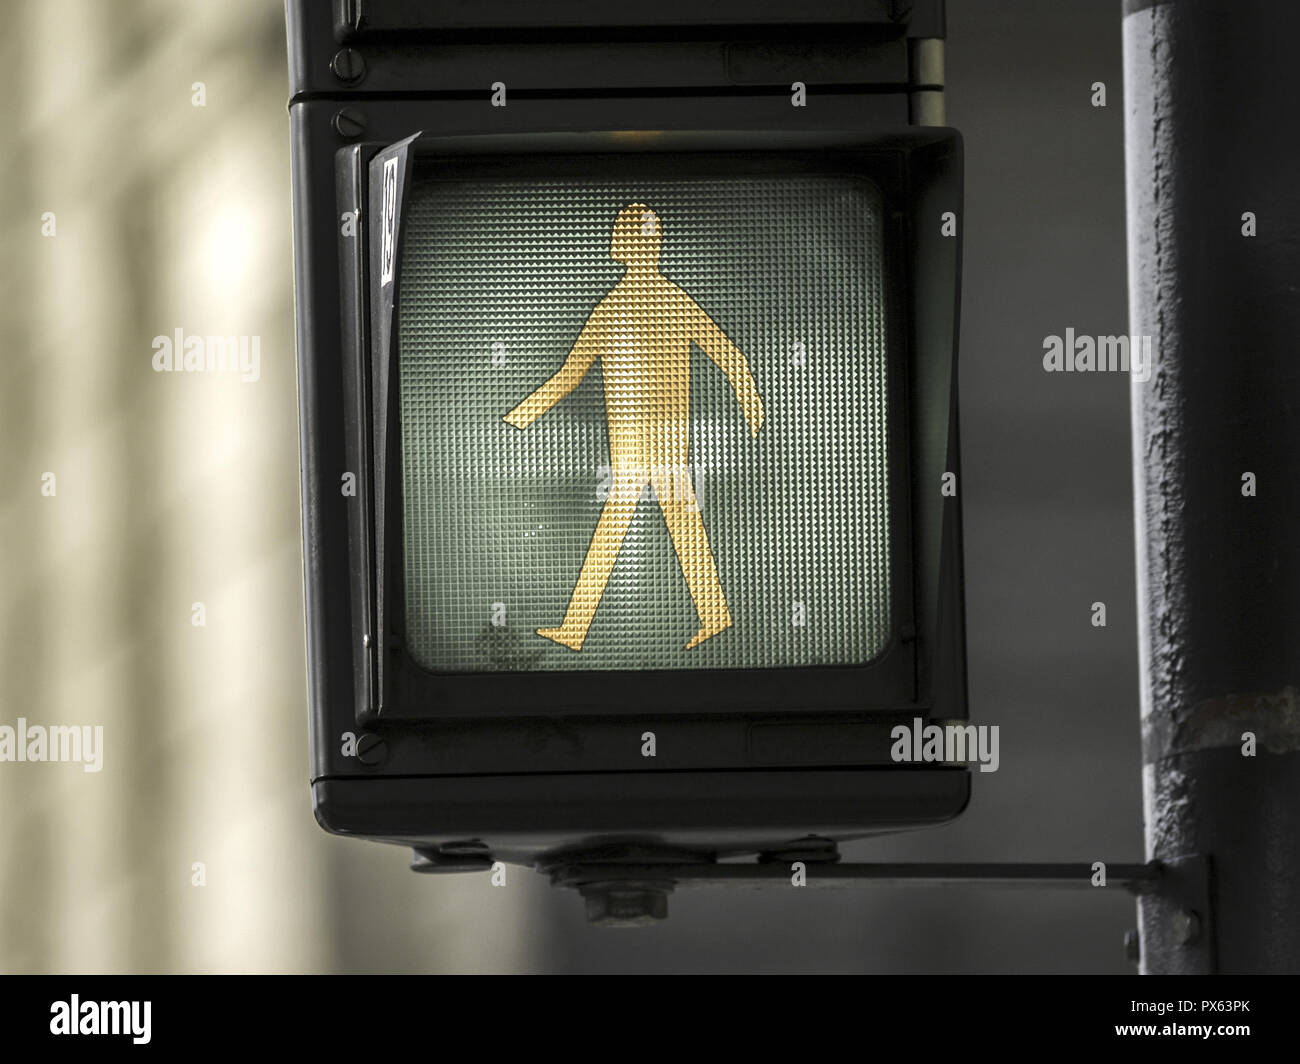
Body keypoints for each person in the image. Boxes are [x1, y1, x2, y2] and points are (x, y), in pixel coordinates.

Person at [504, 202, 764, 650]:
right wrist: (520, 415)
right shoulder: (625, 307)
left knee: (648, 526)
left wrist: (749, 397)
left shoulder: (655, 303)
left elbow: (725, 352)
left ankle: (580, 628)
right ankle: (710, 614)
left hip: (654, 442)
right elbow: (571, 374)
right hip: (641, 442)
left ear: (626, 245)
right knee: (668, 526)